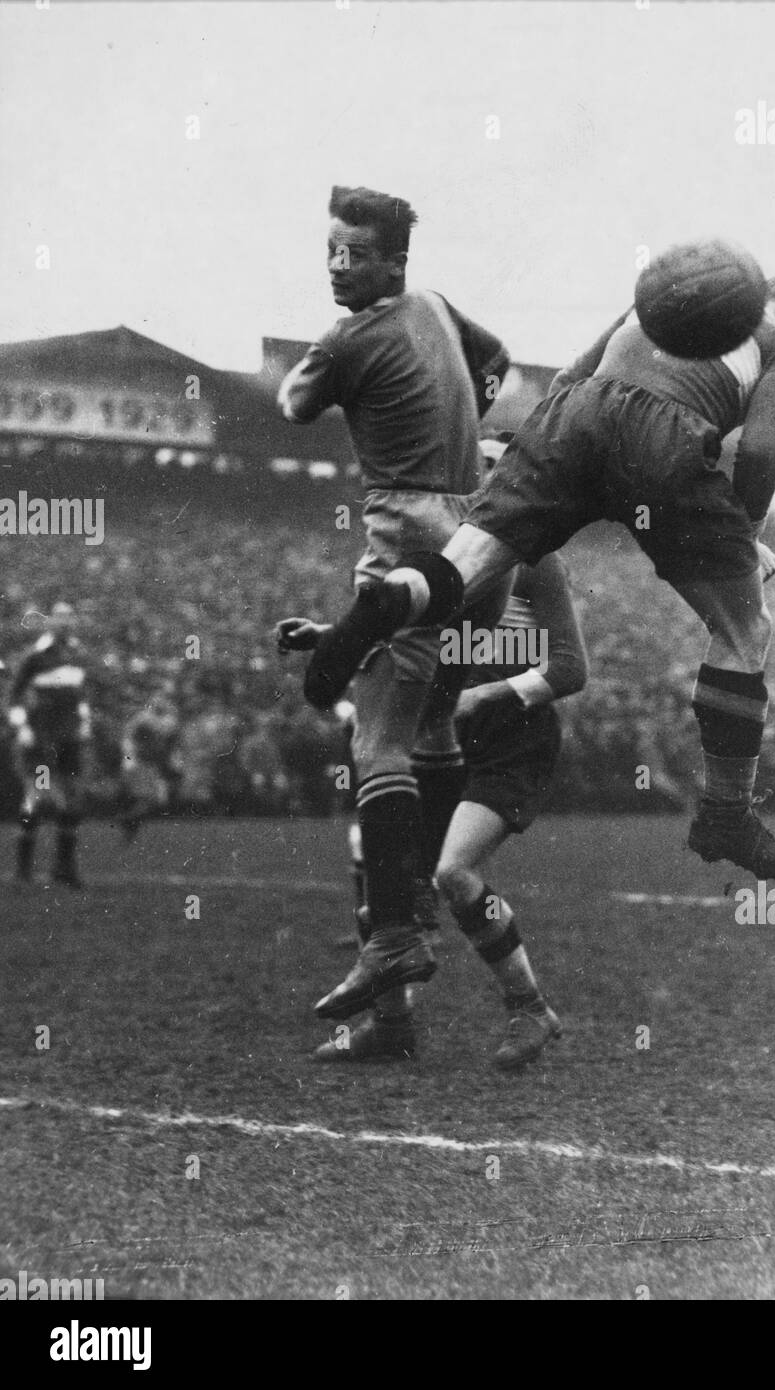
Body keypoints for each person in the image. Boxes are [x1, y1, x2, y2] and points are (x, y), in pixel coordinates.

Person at [298, 267, 775, 1021]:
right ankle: (724, 811)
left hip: (569, 419)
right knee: (745, 629)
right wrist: (742, 537)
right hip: (660, 436)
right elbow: (760, 454)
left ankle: (384, 602)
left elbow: (578, 371)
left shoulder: (663, 298)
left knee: (462, 567)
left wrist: (540, 454)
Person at [275, 184, 512, 1023]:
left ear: (393, 260)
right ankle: (413, 902)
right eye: (331, 251)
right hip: (480, 538)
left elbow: (293, 406)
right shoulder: (439, 304)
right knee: (431, 724)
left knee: (375, 740)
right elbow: (498, 357)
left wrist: (343, 358)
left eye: (356, 253)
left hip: (407, 530)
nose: (340, 267)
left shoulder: (347, 335)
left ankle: (395, 935)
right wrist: (455, 410)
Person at [315, 546, 588, 1069]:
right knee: (390, 883)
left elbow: (572, 669)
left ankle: (529, 1007)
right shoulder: (449, 550)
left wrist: (483, 696)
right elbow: (404, 628)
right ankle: (392, 1026)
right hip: (441, 729)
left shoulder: (533, 558)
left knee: (454, 873)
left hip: (513, 735)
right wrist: (329, 638)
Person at [8, 602, 91, 888]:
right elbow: (15, 695)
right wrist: (21, 725)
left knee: (72, 801)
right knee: (37, 798)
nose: (65, 623)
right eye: (59, 618)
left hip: (69, 738)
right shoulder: (36, 656)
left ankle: (63, 868)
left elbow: (79, 694)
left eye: (69, 617)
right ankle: (23, 870)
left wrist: (84, 718)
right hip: (41, 738)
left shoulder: (78, 654)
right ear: (49, 622)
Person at [119, 689, 182, 842]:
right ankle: (129, 821)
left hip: (156, 764)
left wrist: (173, 760)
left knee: (158, 799)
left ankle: (130, 821)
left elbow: (170, 743)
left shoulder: (169, 720)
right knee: (151, 798)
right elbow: (128, 738)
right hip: (143, 762)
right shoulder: (142, 719)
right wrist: (129, 758)